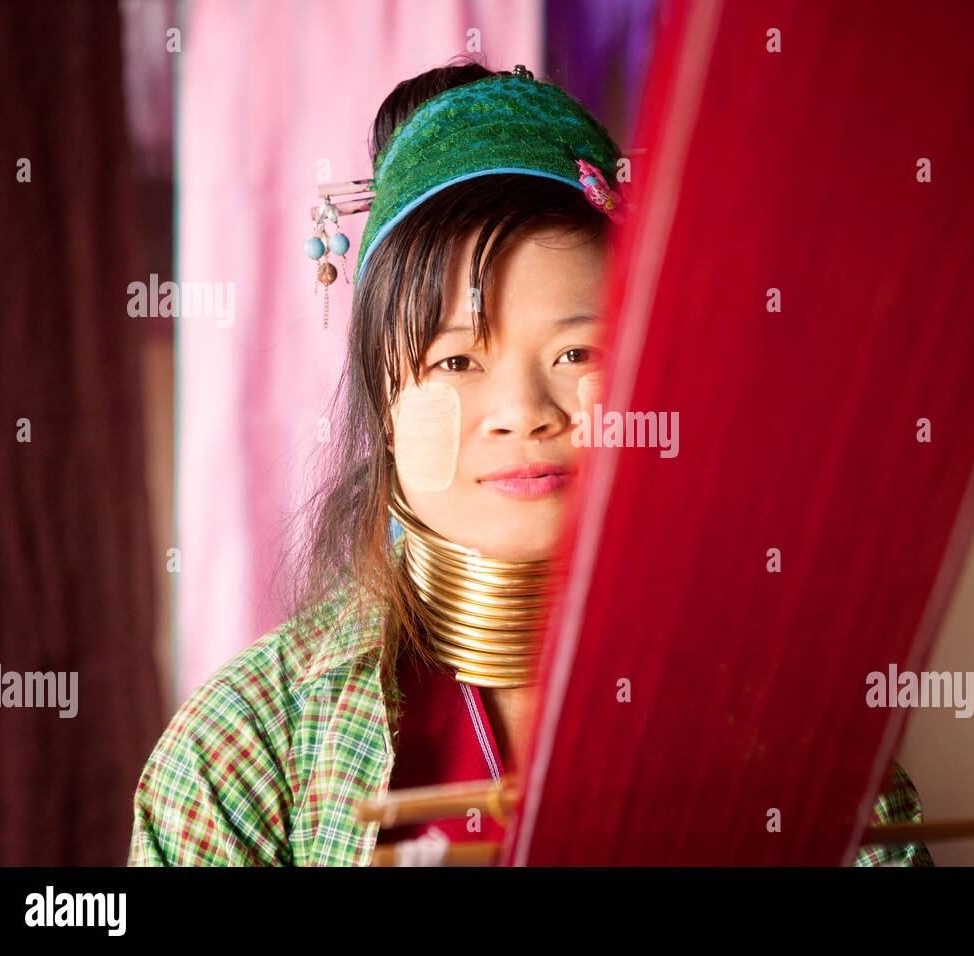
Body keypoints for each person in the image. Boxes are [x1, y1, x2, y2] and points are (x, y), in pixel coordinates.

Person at [127, 59, 932, 867]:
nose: (525, 413)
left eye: (579, 350)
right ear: (385, 408)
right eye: (455, 362)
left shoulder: (791, 743)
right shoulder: (241, 755)